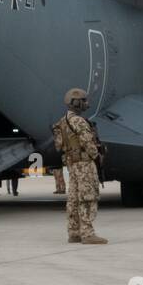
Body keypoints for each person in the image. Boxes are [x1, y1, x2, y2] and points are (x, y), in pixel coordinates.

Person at [52, 88, 108, 245]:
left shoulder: (62, 122)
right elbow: (89, 143)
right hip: (84, 164)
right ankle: (87, 233)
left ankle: (74, 232)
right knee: (88, 197)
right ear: (76, 102)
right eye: (83, 101)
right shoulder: (79, 121)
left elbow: (59, 146)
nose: (86, 104)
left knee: (74, 199)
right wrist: (98, 156)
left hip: (72, 165)